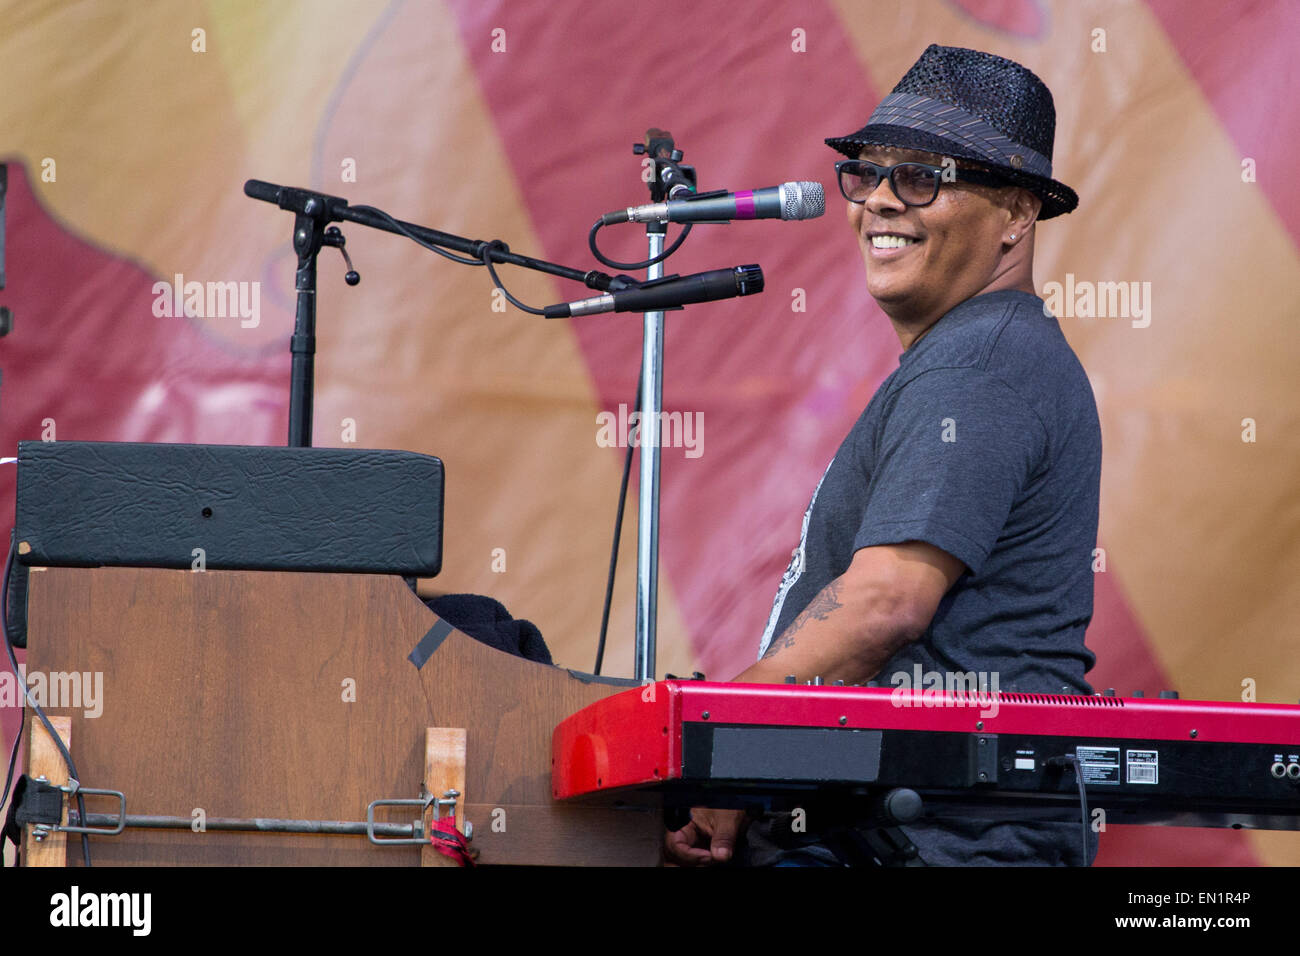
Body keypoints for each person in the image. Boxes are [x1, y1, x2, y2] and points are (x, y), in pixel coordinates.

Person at [665, 44, 1101, 866]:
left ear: (1016, 210)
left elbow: (886, 602)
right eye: (867, 174)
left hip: (935, 842)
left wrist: (717, 738)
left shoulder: (981, 363)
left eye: (922, 177)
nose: (880, 203)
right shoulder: (973, 356)